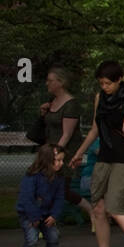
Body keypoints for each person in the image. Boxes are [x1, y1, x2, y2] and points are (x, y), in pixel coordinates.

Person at [69, 60, 124, 247]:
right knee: (98, 207)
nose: (105, 87)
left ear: (119, 79)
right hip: (104, 157)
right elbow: (96, 129)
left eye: (108, 83)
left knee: (116, 207)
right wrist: (80, 152)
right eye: (102, 83)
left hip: (123, 158)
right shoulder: (100, 98)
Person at [39, 66, 92, 224]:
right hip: (49, 149)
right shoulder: (52, 102)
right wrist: (43, 113)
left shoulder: (71, 105)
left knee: (59, 188)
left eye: (50, 80)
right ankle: (90, 211)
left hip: (63, 152)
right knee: (53, 188)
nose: (47, 83)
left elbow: (67, 134)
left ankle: (50, 221)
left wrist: (55, 154)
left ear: (60, 82)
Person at [17, 144, 66, 247]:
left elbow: (60, 198)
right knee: (32, 240)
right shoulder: (32, 177)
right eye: (58, 160)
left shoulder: (58, 178)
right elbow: (27, 198)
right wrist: (34, 217)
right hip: (29, 215)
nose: (62, 163)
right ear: (47, 161)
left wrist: (54, 215)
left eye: (62, 160)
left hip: (47, 215)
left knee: (53, 237)